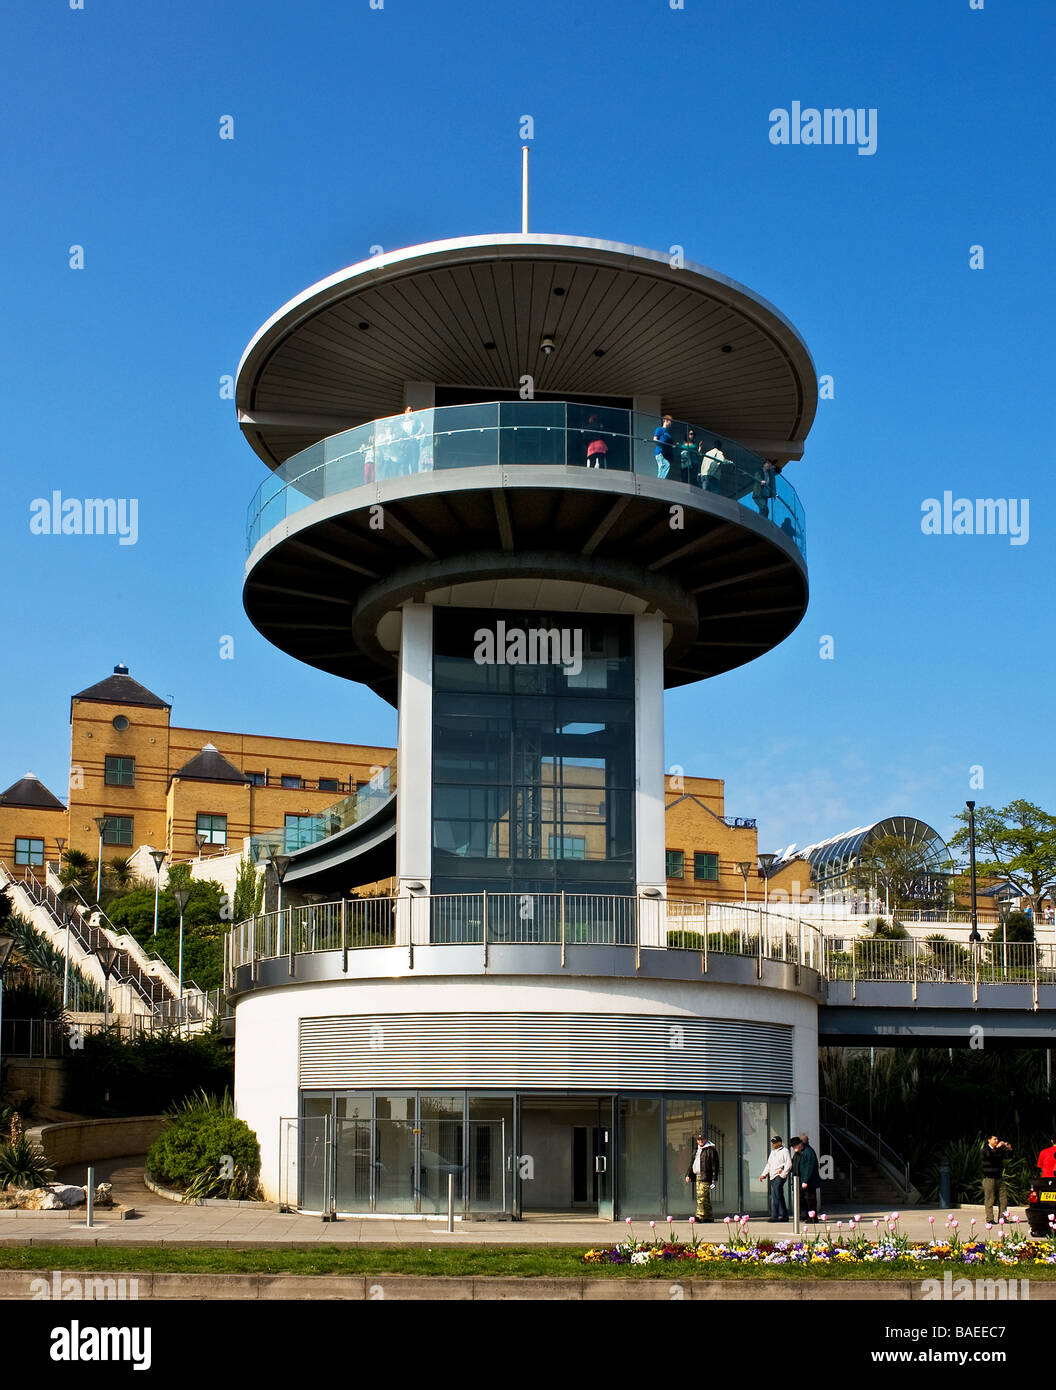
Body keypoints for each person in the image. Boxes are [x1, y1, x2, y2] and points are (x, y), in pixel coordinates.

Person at [684, 1132, 719, 1220]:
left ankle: (700, 1216)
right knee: (705, 1198)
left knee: (701, 1196)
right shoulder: (696, 1150)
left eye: (702, 1139)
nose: (700, 1141)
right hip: (698, 1176)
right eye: (699, 1140)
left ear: (706, 1140)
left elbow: (715, 1165)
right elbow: (692, 1163)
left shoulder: (711, 1150)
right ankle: (709, 1216)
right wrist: (688, 1174)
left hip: (706, 1176)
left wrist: (714, 1178)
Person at [759, 1135, 791, 1222]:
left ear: (779, 1143)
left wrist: (782, 1175)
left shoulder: (785, 1151)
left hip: (779, 1176)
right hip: (772, 1177)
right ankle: (780, 1215)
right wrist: (764, 1174)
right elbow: (769, 1164)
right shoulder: (773, 1152)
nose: (772, 1144)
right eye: (772, 1142)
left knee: (777, 1194)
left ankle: (778, 1215)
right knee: (776, 1195)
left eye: (774, 1142)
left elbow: (788, 1164)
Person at [981, 1134, 1012, 1224]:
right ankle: (990, 1219)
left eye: (997, 1139)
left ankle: (1002, 1218)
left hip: (999, 1177)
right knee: (990, 1199)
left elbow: (1008, 1156)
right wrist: (997, 1148)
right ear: (989, 1140)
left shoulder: (998, 1150)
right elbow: (990, 1156)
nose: (996, 1141)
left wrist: (1009, 1149)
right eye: (994, 1139)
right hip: (989, 1178)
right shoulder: (985, 1150)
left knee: (1003, 1199)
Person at [791, 1134, 821, 1217]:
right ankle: (804, 1215)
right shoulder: (798, 1153)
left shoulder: (808, 1152)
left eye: (794, 1146)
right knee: (801, 1199)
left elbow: (809, 1167)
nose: (793, 1148)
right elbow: (794, 1165)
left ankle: (812, 1217)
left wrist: (805, 1181)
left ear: (800, 1144)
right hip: (799, 1180)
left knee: (809, 1199)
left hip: (807, 1181)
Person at [653, 414, 675, 479]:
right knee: (665, 465)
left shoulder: (668, 433)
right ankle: (659, 481)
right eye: (671, 421)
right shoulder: (659, 429)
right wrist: (663, 443)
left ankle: (660, 480)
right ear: (666, 420)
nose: (671, 423)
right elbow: (655, 439)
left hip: (666, 454)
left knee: (663, 467)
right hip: (660, 452)